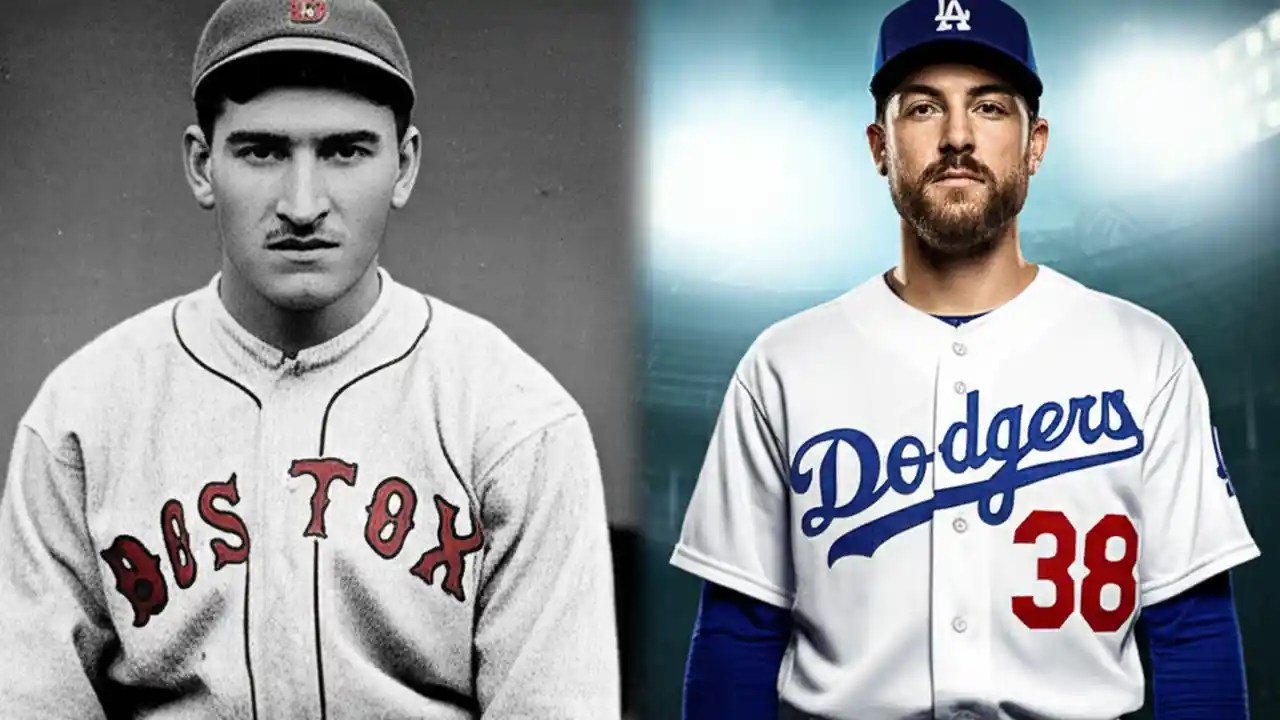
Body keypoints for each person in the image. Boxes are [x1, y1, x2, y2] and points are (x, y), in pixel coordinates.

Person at [0, 0, 620, 717]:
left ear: (405, 164)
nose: (301, 203)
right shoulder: (84, 413)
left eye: (345, 150)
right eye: (262, 150)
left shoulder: (515, 419)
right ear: (203, 166)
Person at [670, 0, 1259, 718]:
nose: (956, 136)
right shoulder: (784, 364)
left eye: (988, 107)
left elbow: (1190, 626)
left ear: (1035, 143)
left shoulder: (1144, 354)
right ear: (879, 146)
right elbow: (738, 631)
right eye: (922, 109)